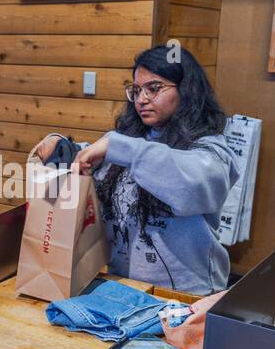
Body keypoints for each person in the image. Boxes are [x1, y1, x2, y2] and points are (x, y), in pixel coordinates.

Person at [31, 45, 238, 296]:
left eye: (154, 88)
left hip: (186, 297)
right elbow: (93, 163)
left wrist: (119, 147)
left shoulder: (210, 148)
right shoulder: (130, 139)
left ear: (186, 89)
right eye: (137, 90)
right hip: (124, 287)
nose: (141, 99)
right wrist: (62, 148)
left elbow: (191, 185)